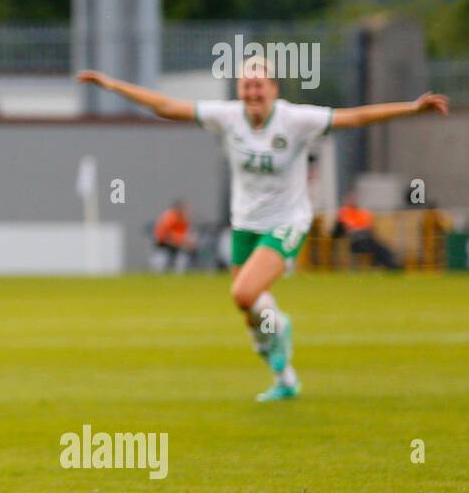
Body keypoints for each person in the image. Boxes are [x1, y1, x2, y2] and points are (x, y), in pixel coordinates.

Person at [78, 58, 447, 401]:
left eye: (259, 85)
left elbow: (356, 118)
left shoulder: (296, 120)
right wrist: (112, 85)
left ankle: (281, 327)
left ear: (274, 89)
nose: (252, 92)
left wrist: (411, 108)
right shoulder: (228, 117)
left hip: (287, 222)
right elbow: (166, 106)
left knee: (243, 293)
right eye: (246, 85)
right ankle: (285, 378)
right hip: (246, 224)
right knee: (249, 309)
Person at [333, 190, 401, 271]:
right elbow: (344, 230)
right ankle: (389, 266)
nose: (353, 200)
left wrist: (361, 229)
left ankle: (391, 265)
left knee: (382, 248)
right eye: (351, 199)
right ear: (347, 200)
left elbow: (368, 227)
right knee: (374, 248)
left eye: (354, 198)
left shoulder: (360, 212)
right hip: (356, 242)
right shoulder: (344, 212)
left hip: (367, 238)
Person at [152, 199, 197, 272]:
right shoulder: (170, 216)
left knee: (181, 261)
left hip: (177, 246)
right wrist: (180, 239)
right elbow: (164, 233)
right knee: (160, 262)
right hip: (164, 245)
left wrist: (189, 240)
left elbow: (186, 233)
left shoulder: (184, 218)